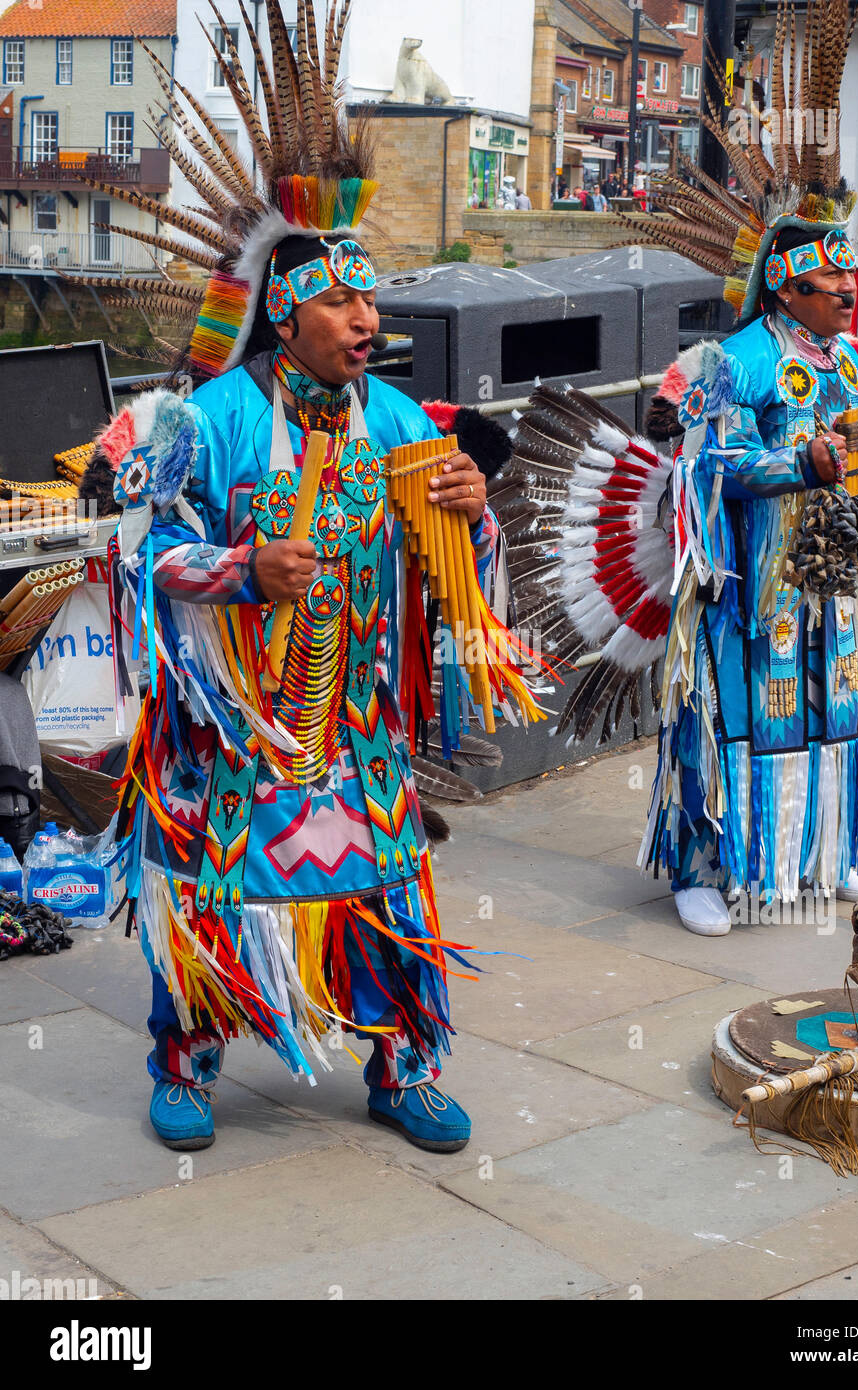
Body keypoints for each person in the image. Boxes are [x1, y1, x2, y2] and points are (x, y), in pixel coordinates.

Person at [87, 0, 538, 1150]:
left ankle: (403, 1065)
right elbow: (141, 551)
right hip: (240, 727)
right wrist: (244, 569)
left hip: (359, 716)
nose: (365, 316)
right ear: (284, 313)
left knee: (388, 886)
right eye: (340, 299)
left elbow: (456, 570)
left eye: (368, 297)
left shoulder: (399, 420)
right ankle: (186, 1060)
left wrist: (471, 520)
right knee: (209, 887)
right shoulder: (212, 420)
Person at [613, 0, 858, 936]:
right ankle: (705, 867)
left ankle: (827, 854)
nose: (849, 295)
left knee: (833, 709)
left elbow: (851, 450)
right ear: (786, 284)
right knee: (734, 711)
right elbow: (707, 466)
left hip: (829, 579)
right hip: (748, 581)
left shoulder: (852, 360)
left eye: (851, 283)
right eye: (833, 285)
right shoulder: (735, 360)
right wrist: (800, 462)